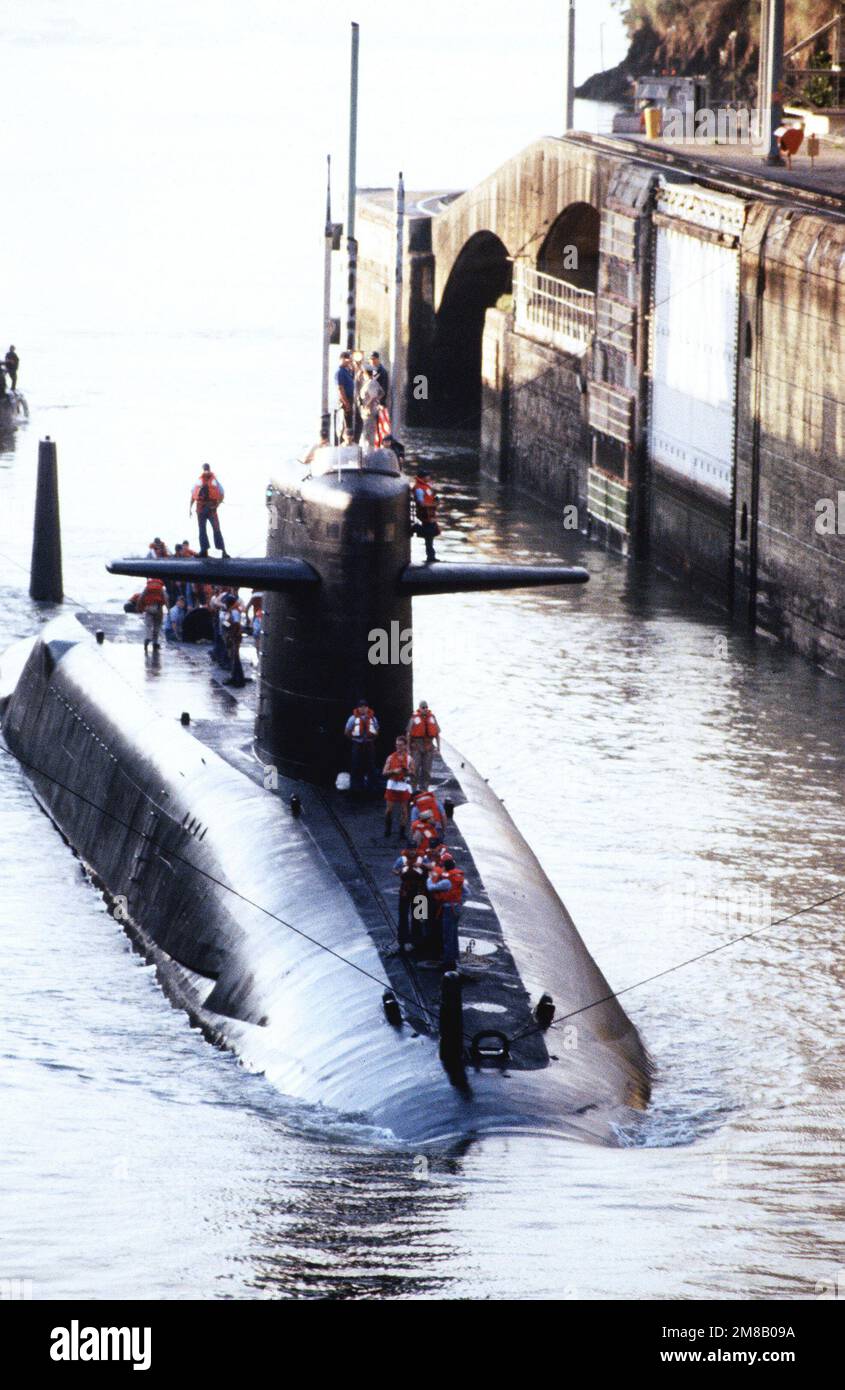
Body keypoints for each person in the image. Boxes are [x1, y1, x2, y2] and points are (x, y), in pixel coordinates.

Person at [426, 854, 465, 970]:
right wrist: (459, 901)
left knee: (447, 934)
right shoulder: (458, 878)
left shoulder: (446, 881)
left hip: (445, 907)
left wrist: (429, 877)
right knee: (453, 933)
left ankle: (448, 961)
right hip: (456, 907)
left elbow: (431, 888)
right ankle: (454, 956)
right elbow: (467, 892)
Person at [391, 844, 427, 953]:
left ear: (416, 850)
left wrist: (422, 866)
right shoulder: (402, 859)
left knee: (419, 916)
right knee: (403, 915)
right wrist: (400, 871)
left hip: (419, 890)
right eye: (410, 850)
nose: (412, 852)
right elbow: (394, 870)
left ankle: (418, 941)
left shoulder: (422, 859)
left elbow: (429, 869)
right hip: (406, 890)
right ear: (407, 850)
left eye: (414, 849)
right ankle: (403, 940)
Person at [189, 463, 229, 558]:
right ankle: (204, 550)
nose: (206, 471)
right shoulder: (199, 481)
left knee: (216, 529)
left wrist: (216, 505)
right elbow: (193, 495)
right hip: (201, 509)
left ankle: (223, 551)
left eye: (207, 469)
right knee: (202, 530)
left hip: (210, 509)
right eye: (205, 469)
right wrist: (189, 508)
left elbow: (222, 493)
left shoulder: (214, 481)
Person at [382, 735, 415, 840]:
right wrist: (393, 771)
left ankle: (402, 832)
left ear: (405, 746)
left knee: (404, 810)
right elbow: (384, 772)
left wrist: (407, 772)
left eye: (400, 745)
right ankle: (388, 829)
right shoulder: (390, 757)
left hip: (403, 785)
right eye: (397, 745)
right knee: (389, 809)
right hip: (392, 784)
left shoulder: (409, 759)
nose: (398, 747)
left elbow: (413, 773)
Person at [344, 698, 379, 793]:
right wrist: (354, 739)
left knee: (371, 766)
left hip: (369, 744)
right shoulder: (352, 719)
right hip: (357, 744)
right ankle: (356, 788)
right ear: (358, 708)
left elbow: (376, 731)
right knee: (356, 766)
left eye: (365, 707)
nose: (363, 709)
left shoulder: (373, 719)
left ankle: (372, 787)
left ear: (367, 708)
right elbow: (347, 731)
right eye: (361, 707)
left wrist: (370, 740)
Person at [407, 700, 440, 788]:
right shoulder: (414, 718)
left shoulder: (432, 718)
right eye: (423, 707)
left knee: (427, 770)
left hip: (428, 747)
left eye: (426, 707)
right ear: (419, 708)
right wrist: (408, 749)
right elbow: (409, 734)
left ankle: (424, 789)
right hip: (417, 746)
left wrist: (438, 747)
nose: (425, 709)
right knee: (415, 768)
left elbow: (437, 733)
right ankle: (413, 788)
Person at [412, 467, 440, 563]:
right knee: (429, 533)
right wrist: (434, 504)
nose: (429, 477)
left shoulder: (426, 487)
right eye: (428, 476)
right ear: (423, 477)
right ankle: (416, 528)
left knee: (430, 536)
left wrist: (435, 499)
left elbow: (429, 497)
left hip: (430, 514)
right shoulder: (419, 489)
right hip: (425, 515)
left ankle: (431, 557)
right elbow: (421, 503)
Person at [138, 577, 167, 654]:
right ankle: (155, 642)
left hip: (149, 608)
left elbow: (141, 597)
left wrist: (139, 607)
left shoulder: (147, 587)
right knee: (157, 625)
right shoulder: (161, 588)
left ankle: (147, 638)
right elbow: (166, 597)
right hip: (158, 608)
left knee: (148, 625)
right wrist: (168, 608)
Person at [358, 366, 384, 449]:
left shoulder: (371, 383)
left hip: (369, 412)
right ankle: (369, 448)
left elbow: (373, 396)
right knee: (368, 432)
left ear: (366, 373)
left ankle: (369, 450)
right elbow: (381, 393)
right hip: (369, 411)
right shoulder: (372, 382)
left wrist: (367, 406)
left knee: (368, 433)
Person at [335, 351, 356, 441]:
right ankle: (343, 443)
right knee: (344, 424)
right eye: (346, 359)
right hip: (344, 400)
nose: (348, 361)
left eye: (349, 359)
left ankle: (349, 442)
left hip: (350, 399)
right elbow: (340, 388)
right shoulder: (340, 372)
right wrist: (346, 403)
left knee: (349, 422)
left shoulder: (347, 371)